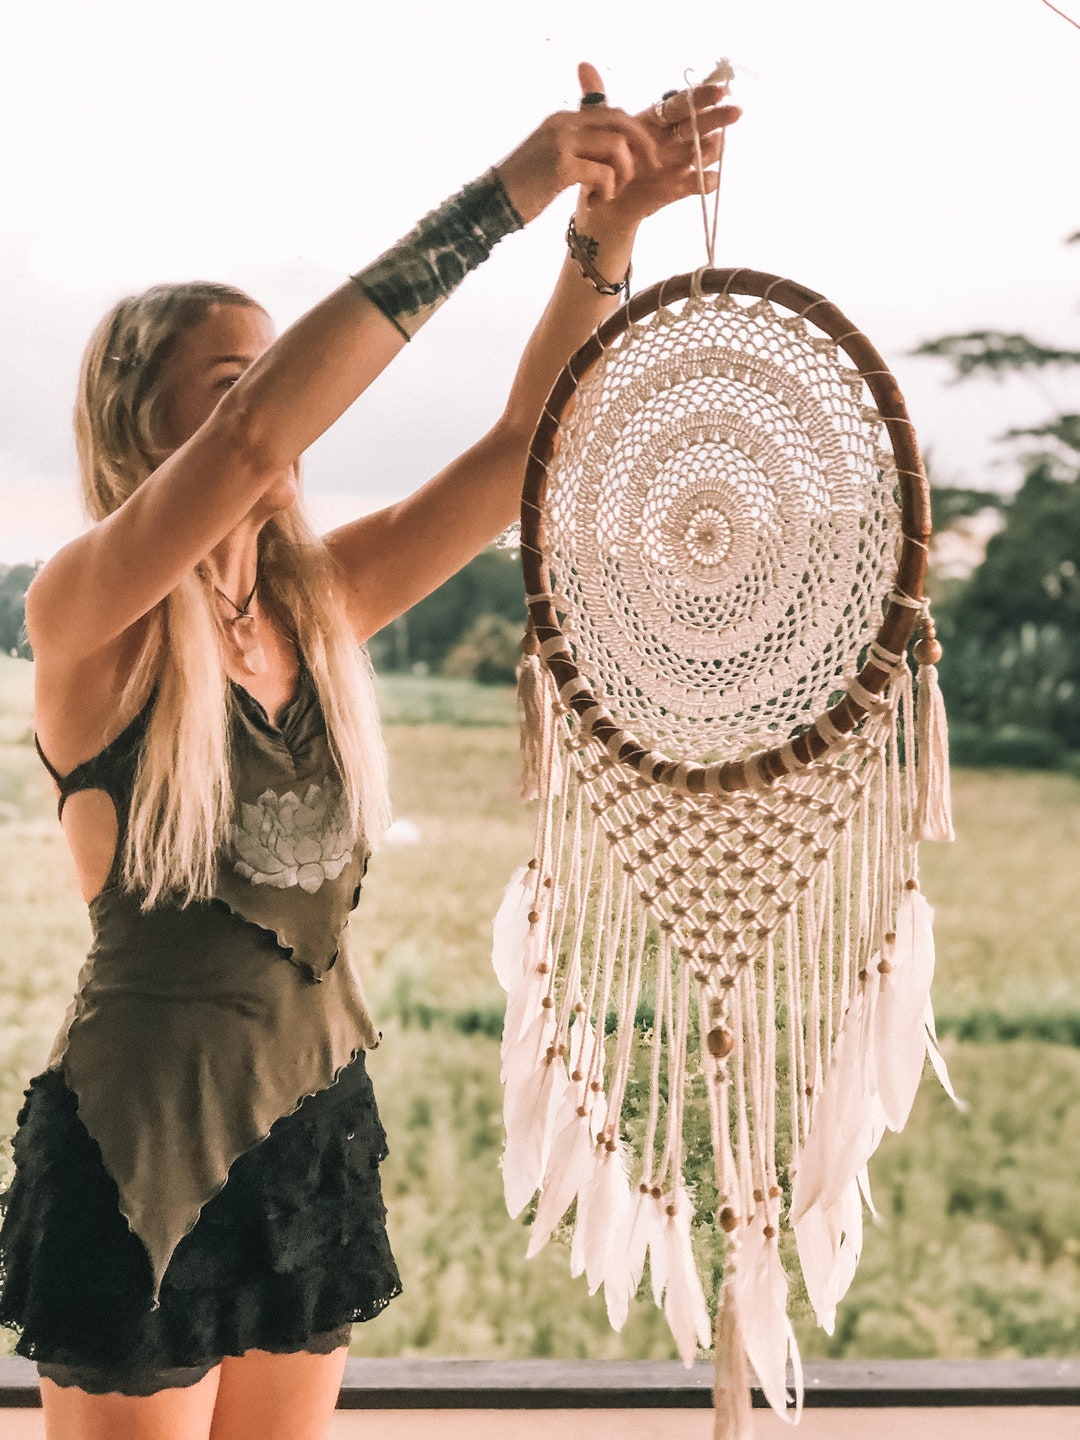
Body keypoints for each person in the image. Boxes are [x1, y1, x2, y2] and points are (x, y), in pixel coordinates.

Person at [0, 63, 738, 1440]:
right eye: (233, 376)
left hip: (310, 1124)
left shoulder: (318, 606)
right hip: (136, 1146)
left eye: (270, 364)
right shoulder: (86, 614)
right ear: (145, 421)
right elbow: (259, 431)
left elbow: (533, 440)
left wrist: (607, 237)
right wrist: (512, 193)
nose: (281, 408)